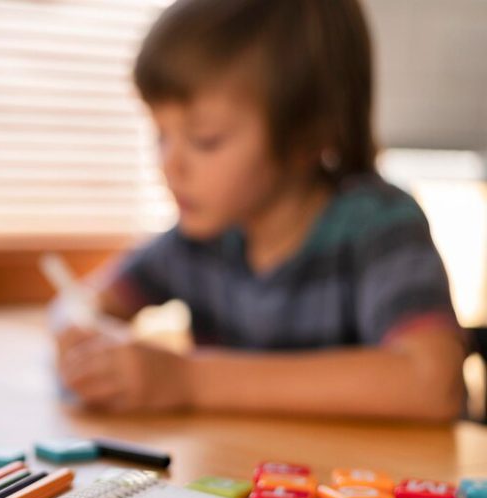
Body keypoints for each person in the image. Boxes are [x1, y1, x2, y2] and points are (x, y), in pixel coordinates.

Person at [54, 0, 466, 422]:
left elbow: (433, 383)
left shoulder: (378, 226)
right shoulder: (197, 240)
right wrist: (83, 332)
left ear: (308, 135)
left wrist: (189, 379)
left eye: (205, 139)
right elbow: (85, 299)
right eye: (161, 134)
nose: (168, 164)